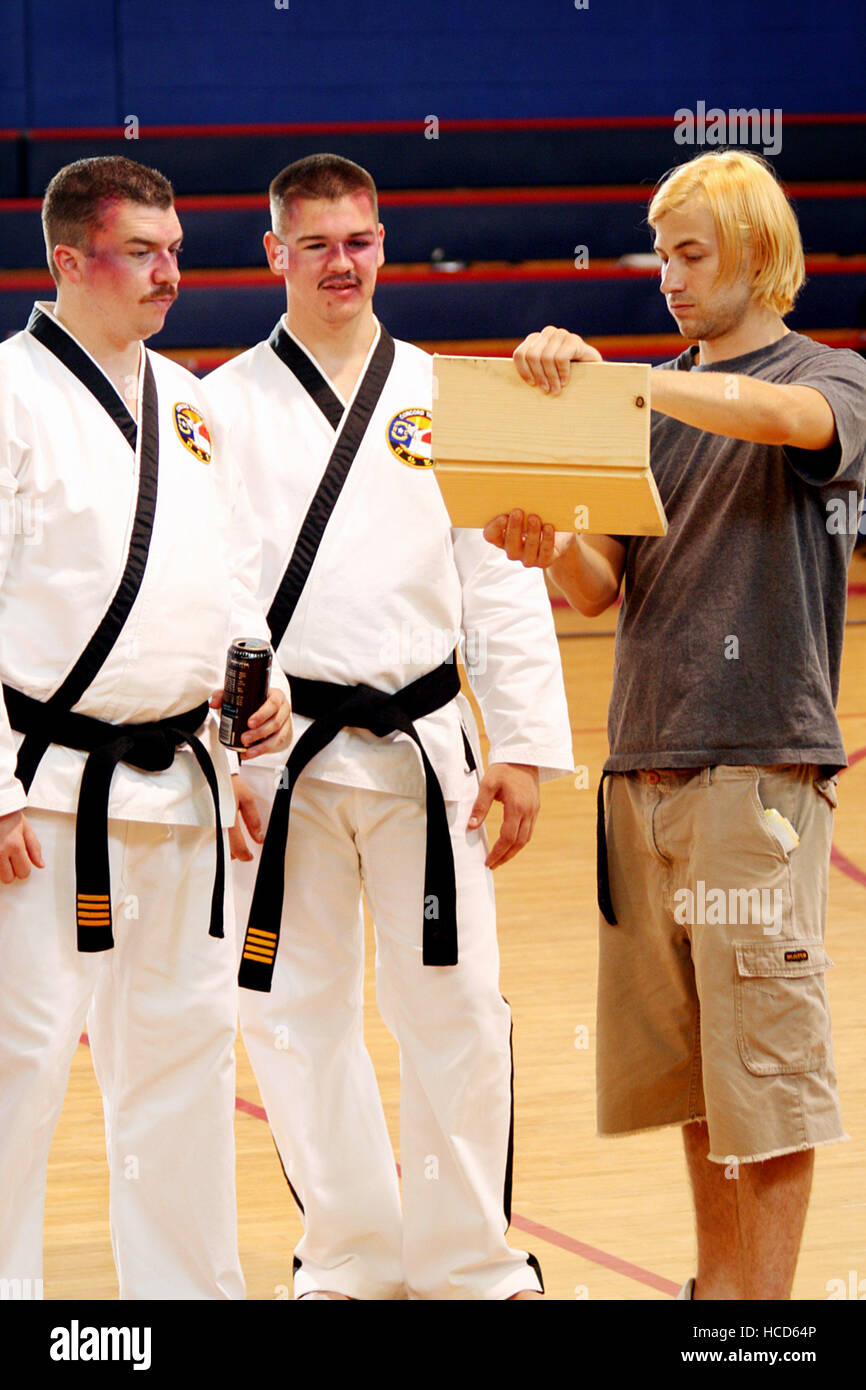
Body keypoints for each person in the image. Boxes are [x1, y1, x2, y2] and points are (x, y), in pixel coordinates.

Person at [485, 149, 866, 1301]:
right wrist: (553, 544)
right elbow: (608, 585)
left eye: (689, 252)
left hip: (753, 777)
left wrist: (625, 384)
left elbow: (783, 417)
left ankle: (762, 1318)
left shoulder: (829, 377)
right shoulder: (650, 400)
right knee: (699, 1078)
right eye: (658, 252)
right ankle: (717, 1301)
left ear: (756, 253)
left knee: (768, 1068)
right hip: (639, 772)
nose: (666, 274)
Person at [201, 154, 573, 1301]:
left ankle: (470, 1258)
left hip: (427, 756)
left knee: (455, 1007)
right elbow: (201, 594)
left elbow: (499, 574)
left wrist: (518, 745)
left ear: (382, 242)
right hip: (284, 763)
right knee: (291, 1013)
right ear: (273, 254)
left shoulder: (442, 389)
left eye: (357, 239)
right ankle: (351, 1253)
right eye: (312, 244)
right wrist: (221, 765)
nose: (339, 264)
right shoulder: (215, 406)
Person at [0, 156, 291, 1300]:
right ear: (69, 261)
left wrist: (258, 697)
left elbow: (227, 579)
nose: (170, 269)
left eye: (175, 246)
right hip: (47, 793)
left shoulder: (188, 400)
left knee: (179, 1060)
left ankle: (184, 1299)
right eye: (142, 250)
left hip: (180, 785)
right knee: (20, 1066)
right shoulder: (9, 393)